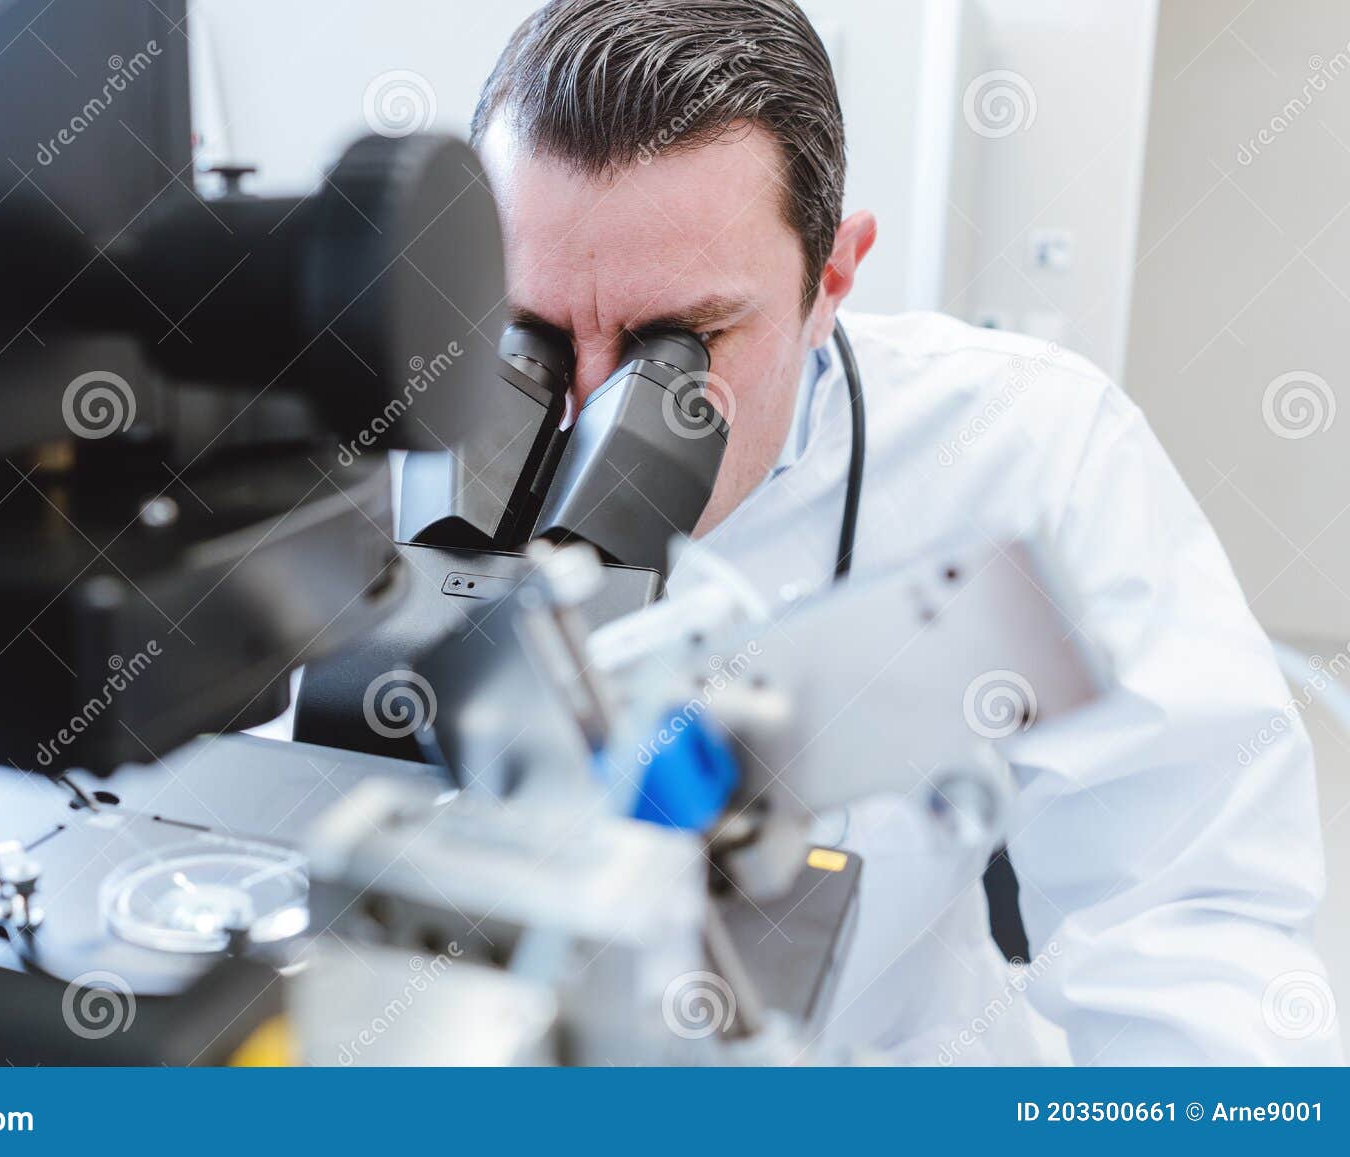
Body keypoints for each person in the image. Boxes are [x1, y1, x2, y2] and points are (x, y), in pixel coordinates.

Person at [469, 0, 1343, 1063]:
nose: (596, 418)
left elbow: (1185, 919)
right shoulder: (414, 436)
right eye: (540, 337)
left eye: (682, 344)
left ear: (832, 277)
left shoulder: (1020, 441)